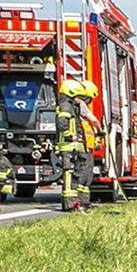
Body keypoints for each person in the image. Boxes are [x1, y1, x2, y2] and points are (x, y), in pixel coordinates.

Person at [54, 79, 101, 212]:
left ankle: (78, 202)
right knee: (69, 174)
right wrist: (70, 135)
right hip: (69, 146)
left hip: (74, 146)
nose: (80, 100)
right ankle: (69, 204)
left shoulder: (71, 107)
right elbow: (62, 123)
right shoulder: (66, 107)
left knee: (77, 174)